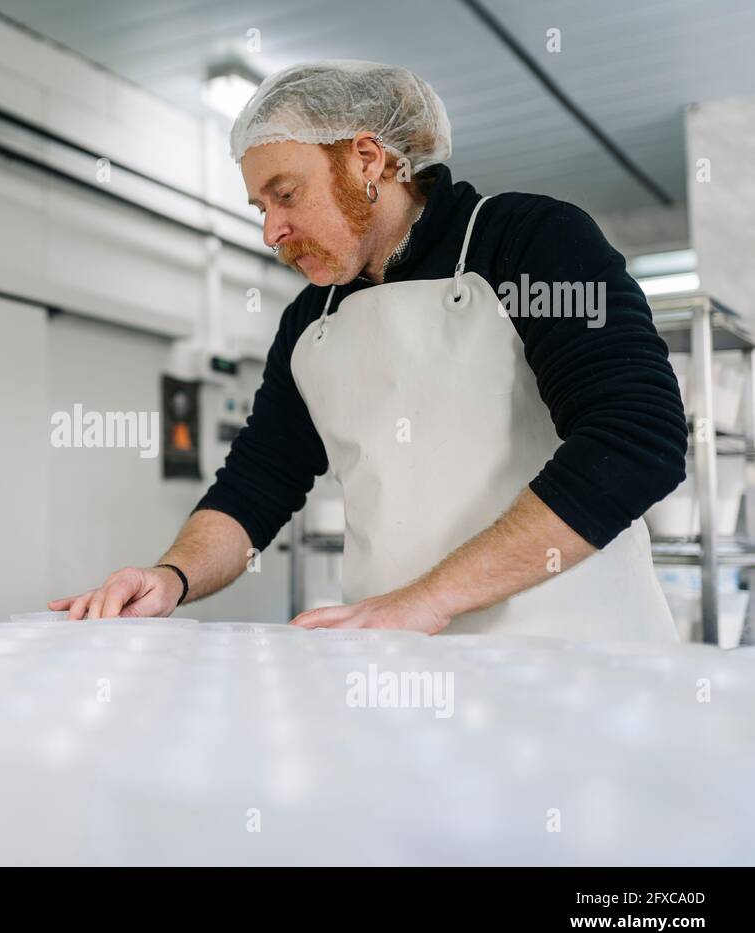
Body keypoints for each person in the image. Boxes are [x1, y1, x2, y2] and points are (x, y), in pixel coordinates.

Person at [51, 60, 686, 641]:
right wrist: (172, 577)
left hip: (581, 656)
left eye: (286, 193)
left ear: (366, 160)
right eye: (261, 206)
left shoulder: (528, 241)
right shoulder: (310, 319)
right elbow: (258, 484)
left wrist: (430, 598)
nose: (272, 230)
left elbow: (636, 440)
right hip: (397, 660)